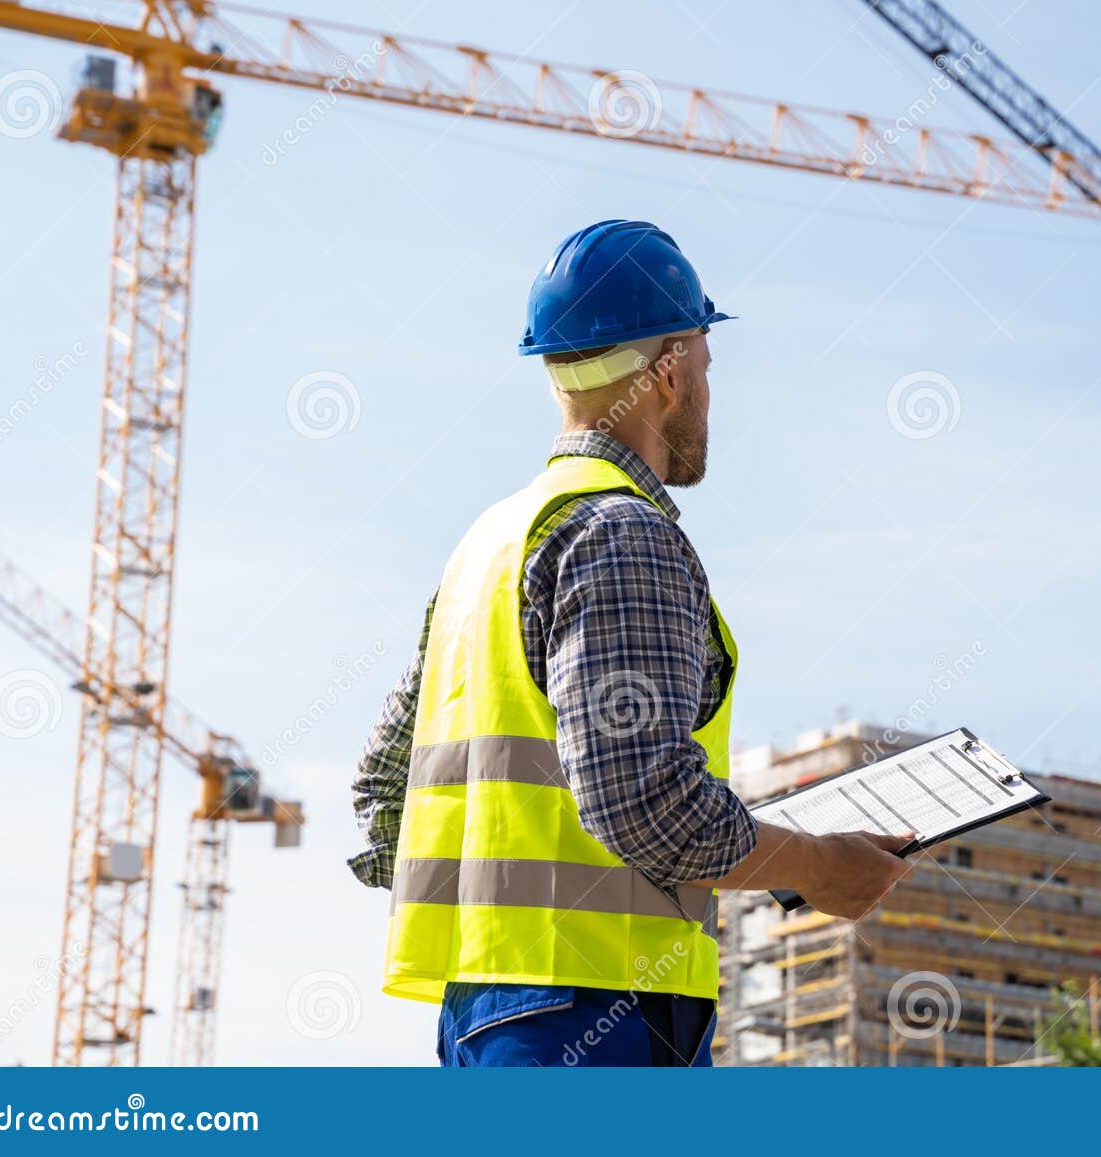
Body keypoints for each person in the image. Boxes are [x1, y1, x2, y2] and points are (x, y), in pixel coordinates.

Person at [349, 219, 913, 1067]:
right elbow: (643, 805)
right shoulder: (621, 535)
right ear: (672, 371)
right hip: (596, 1018)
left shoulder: (486, 547)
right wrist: (820, 865)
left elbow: (381, 805)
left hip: (489, 1022)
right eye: (707, 365)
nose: (710, 390)